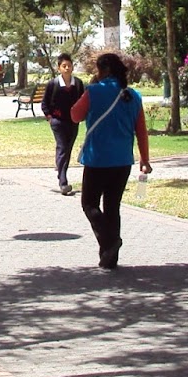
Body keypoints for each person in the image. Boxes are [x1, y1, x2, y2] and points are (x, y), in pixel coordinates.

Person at [69, 52, 152, 270]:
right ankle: (109, 257)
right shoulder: (133, 96)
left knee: (89, 204)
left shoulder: (94, 91)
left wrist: (92, 89)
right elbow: (141, 131)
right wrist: (144, 158)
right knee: (112, 207)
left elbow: (75, 115)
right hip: (123, 160)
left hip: (97, 159)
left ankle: (109, 241)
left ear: (103, 70)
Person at [41, 53, 86, 196]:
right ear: (59, 68)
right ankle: (63, 180)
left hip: (73, 121)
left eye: (69, 66)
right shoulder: (53, 84)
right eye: (64, 66)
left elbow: (82, 101)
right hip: (58, 121)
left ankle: (61, 171)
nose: (67, 69)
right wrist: (50, 117)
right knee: (62, 147)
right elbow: (45, 103)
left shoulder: (78, 84)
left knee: (68, 149)